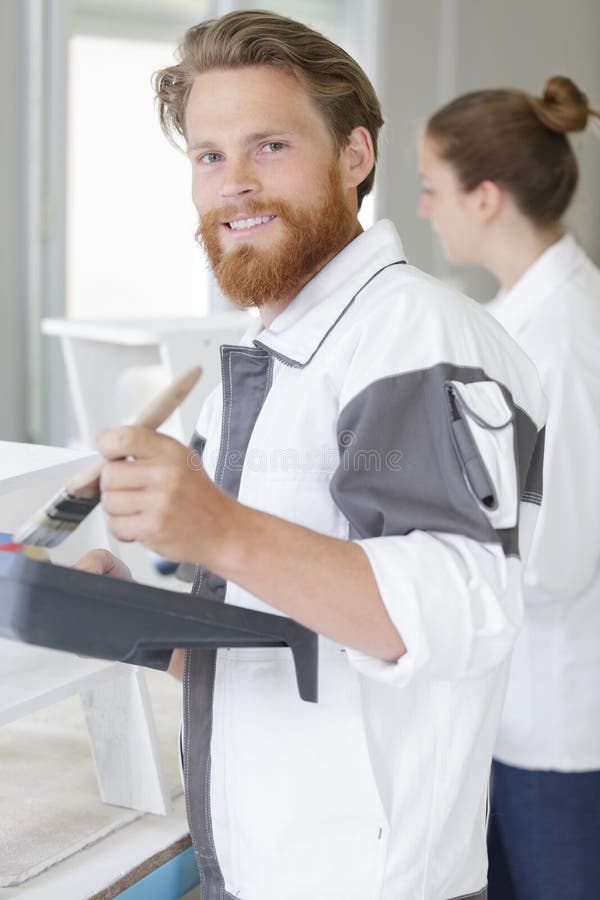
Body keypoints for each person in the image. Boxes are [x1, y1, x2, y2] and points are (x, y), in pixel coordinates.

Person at [77, 11, 545, 900]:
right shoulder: (268, 361)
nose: (235, 183)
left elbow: (460, 606)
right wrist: (135, 622)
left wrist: (219, 529)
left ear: (355, 154)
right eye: (209, 155)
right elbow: (285, 642)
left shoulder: (417, 336)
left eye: (270, 145)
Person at [419, 76, 600, 900]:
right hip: (512, 713)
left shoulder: (563, 340)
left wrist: (428, 544)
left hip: (555, 729)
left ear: (485, 197)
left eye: (432, 187)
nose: (425, 208)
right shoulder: (521, 315)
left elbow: (557, 562)